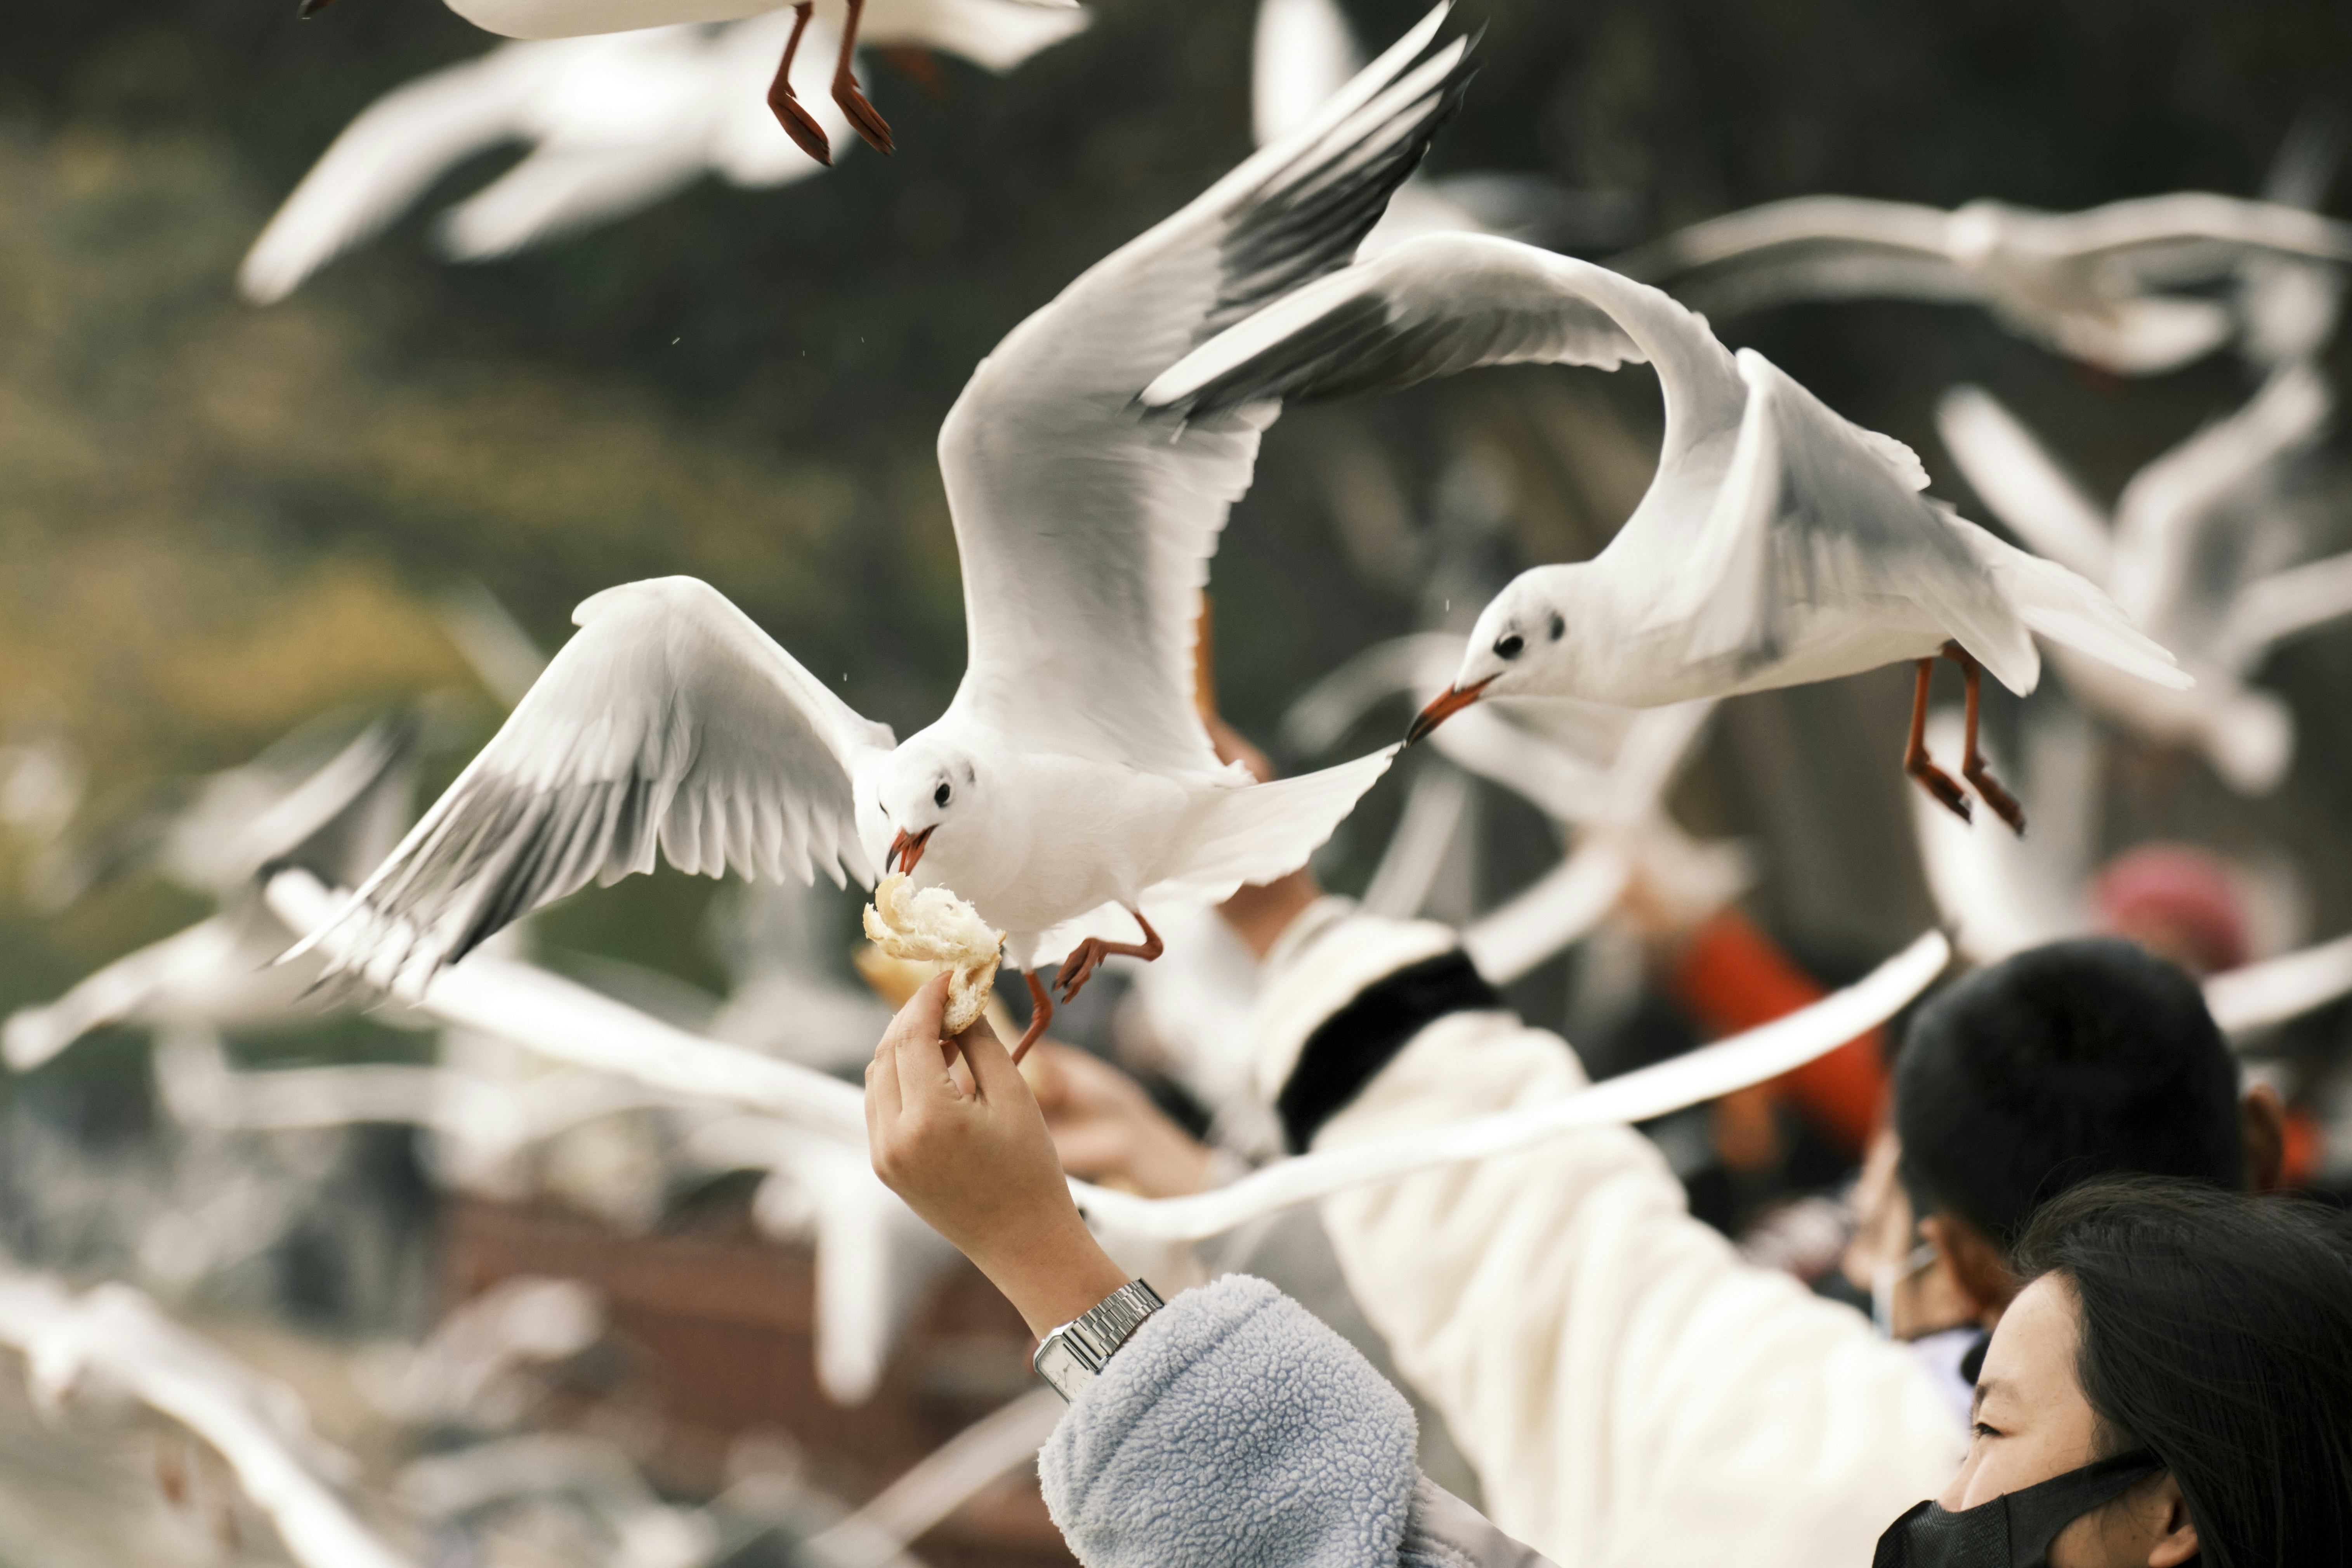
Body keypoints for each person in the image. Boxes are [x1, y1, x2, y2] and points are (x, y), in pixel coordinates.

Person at [867, 983, 2352, 1566]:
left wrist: (1040, 1253)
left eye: (1991, 1429)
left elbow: (1559, 1277)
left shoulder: (1807, 1428)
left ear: (2167, 1513)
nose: (1942, 1486)